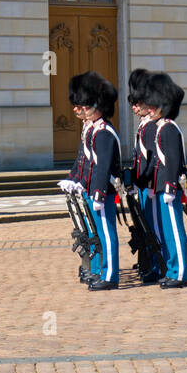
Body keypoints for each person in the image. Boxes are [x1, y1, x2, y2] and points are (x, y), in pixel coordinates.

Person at [58, 70, 121, 291]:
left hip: (100, 191)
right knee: (94, 234)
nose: (78, 110)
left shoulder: (104, 132)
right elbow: (83, 160)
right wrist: (74, 179)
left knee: (105, 234)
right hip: (89, 188)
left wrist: (98, 193)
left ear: (96, 105)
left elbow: (102, 167)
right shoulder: (91, 129)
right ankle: (98, 269)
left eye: (83, 105)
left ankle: (110, 275)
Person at [142, 72, 187, 288]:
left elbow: (172, 160)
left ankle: (179, 273)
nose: (148, 108)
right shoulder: (161, 126)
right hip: (160, 186)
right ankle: (171, 269)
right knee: (165, 231)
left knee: (173, 231)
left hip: (168, 187)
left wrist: (170, 186)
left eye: (152, 105)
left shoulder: (168, 128)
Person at [126, 69, 164, 283]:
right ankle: (146, 261)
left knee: (152, 227)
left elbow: (152, 160)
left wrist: (143, 180)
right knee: (144, 226)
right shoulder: (144, 125)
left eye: (137, 104)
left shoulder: (151, 127)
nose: (134, 108)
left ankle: (154, 263)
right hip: (141, 183)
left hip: (148, 184)